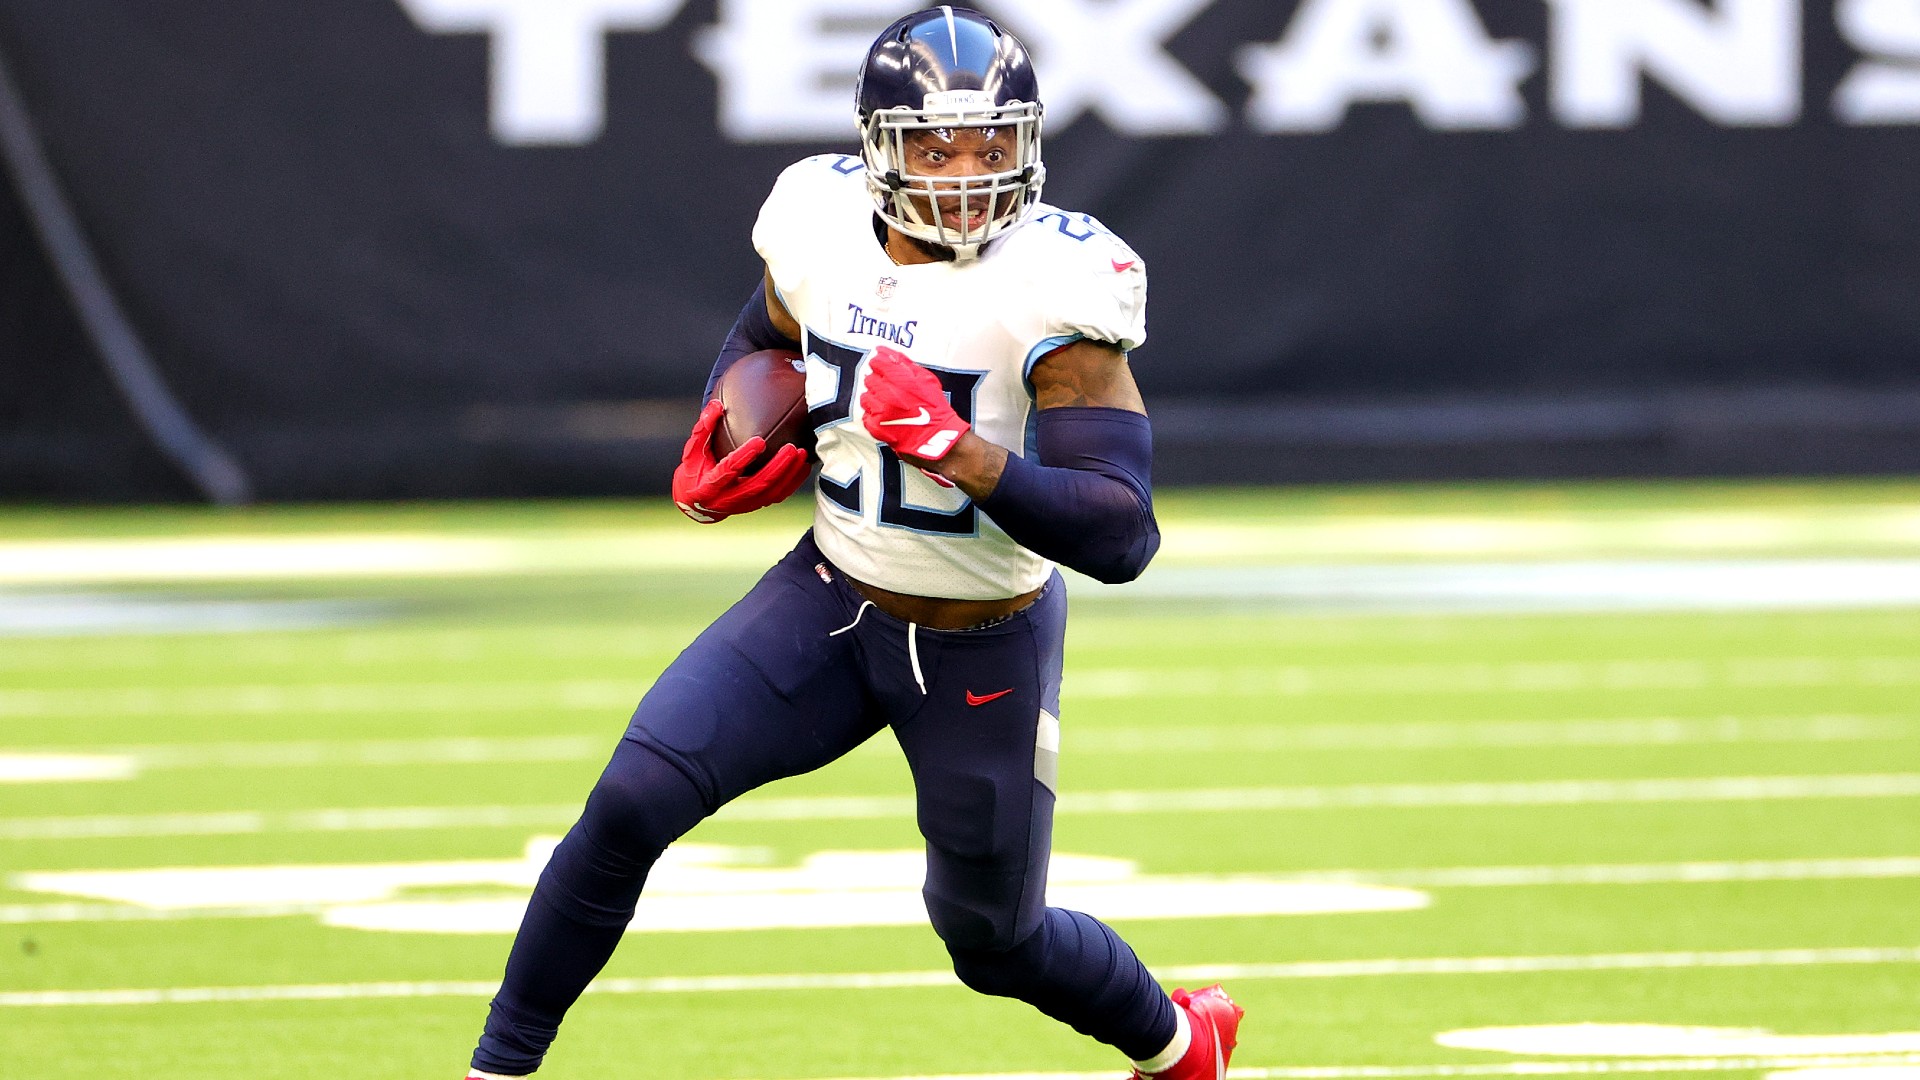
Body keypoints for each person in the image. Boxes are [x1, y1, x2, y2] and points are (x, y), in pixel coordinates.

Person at [464, 8, 1242, 1079]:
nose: (968, 174)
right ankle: (497, 1068)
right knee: (630, 801)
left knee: (993, 941)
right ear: (879, 146)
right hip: (828, 597)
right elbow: (765, 334)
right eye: (936, 147)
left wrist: (964, 453)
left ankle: (1180, 1045)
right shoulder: (816, 216)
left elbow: (1121, 532)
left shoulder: (1057, 282)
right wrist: (729, 426)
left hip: (983, 641)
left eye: (992, 145)